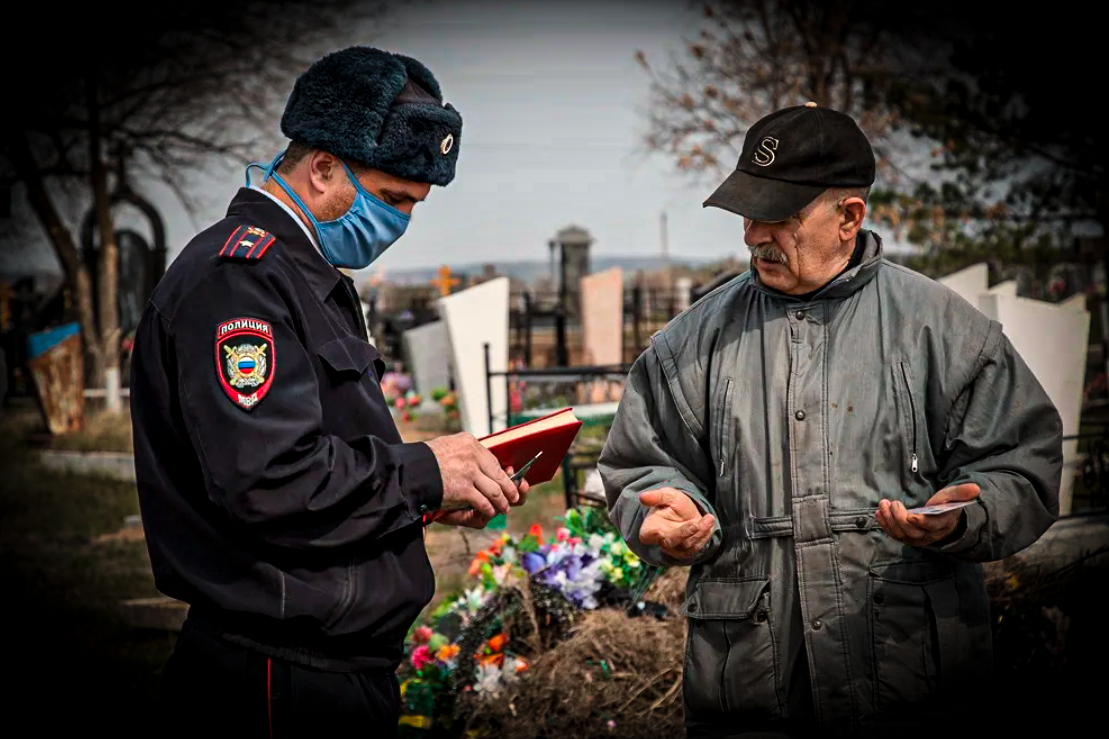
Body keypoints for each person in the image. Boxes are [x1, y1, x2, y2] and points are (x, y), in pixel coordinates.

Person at [598, 103, 1063, 738]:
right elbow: (640, 467)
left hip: (916, 690)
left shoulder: (944, 329)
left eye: (779, 216)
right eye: (748, 213)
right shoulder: (686, 346)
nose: (753, 234)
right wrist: (665, 513)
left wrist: (967, 517)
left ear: (848, 218)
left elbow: (1024, 466)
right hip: (752, 700)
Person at [130, 46, 529, 736]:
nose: (402, 221)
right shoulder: (240, 280)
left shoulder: (301, 273)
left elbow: (325, 464)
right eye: (393, 198)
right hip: (276, 680)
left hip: (332, 672)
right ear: (322, 168)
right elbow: (270, 479)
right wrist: (425, 468)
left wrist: (427, 495)